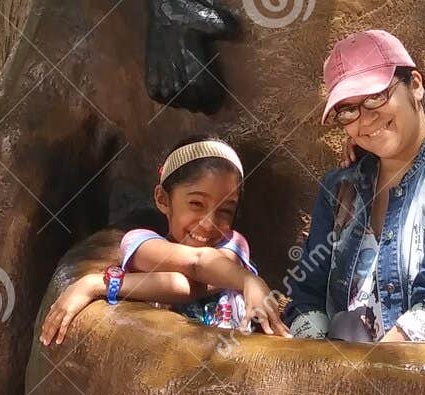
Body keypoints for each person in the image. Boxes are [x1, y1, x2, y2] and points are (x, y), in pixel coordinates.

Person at [286, 30, 425, 343]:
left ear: (415, 85)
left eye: (376, 97)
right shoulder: (339, 188)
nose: (366, 119)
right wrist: (317, 355)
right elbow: (306, 296)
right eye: (348, 109)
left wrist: (370, 368)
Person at [40, 138, 287, 345]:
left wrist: (101, 284)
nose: (209, 223)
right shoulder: (139, 241)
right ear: (162, 198)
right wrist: (248, 280)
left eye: (225, 211)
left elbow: (198, 277)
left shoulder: (233, 244)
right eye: (196, 204)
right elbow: (193, 267)